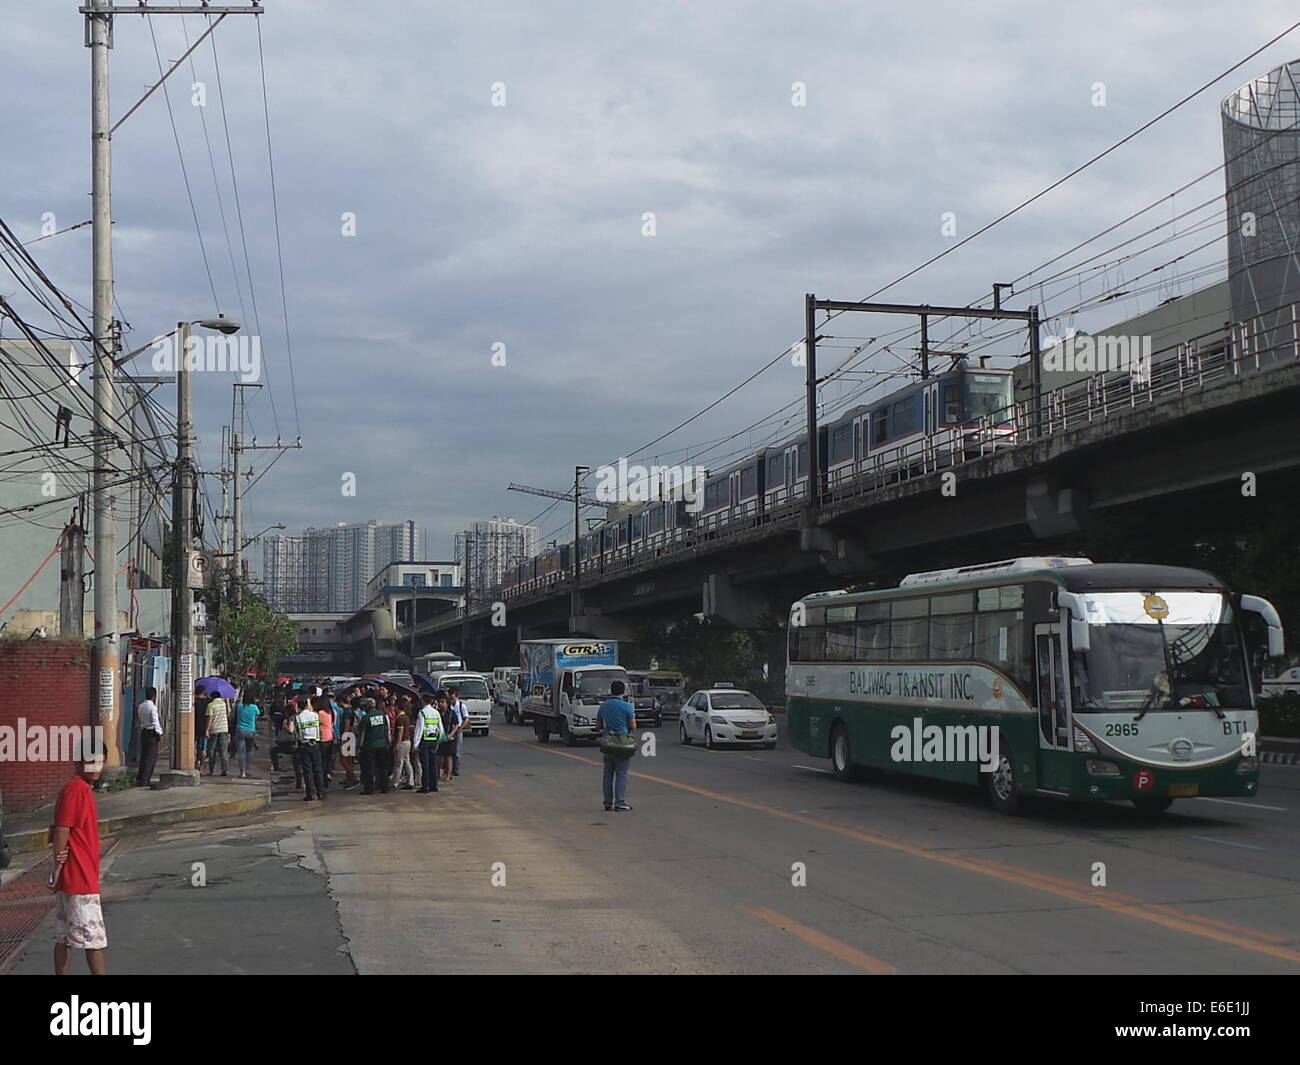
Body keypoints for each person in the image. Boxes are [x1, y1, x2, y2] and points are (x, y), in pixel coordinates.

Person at [49, 747, 108, 974]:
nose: (96, 767)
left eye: (100, 762)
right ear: (78, 763)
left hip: (74, 876)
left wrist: (58, 868)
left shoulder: (78, 789)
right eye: (90, 761)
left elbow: (60, 828)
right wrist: (57, 864)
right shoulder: (77, 790)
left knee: (65, 936)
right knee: (93, 940)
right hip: (80, 877)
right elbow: (62, 829)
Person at [596, 680, 636, 812]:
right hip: (622, 744)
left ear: (611, 691)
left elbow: (598, 726)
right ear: (623, 691)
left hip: (608, 743)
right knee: (621, 773)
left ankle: (607, 802)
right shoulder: (626, 706)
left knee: (608, 774)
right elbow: (633, 726)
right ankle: (620, 802)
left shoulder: (604, 706)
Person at [287, 696, 324, 802]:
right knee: (318, 768)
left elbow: (291, 730)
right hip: (316, 744)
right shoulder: (315, 715)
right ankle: (321, 792)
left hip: (304, 745)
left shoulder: (297, 717)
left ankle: (311, 793)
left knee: (307, 770)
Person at [355, 696, 392, 794]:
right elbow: (386, 729)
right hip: (382, 745)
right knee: (382, 767)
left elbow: (362, 733)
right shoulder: (382, 715)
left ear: (368, 706)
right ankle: (385, 787)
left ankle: (369, 789)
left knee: (369, 768)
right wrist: (387, 742)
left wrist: (359, 747)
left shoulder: (366, 718)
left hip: (369, 746)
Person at [413, 693, 443, 793]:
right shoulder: (436, 712)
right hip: (433, 740)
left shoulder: (422, 713)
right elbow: (441, 729)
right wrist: (438, 740)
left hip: (424, 741)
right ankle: (433, 785)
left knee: (425, 764)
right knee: (433, 763)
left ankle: (425, 786)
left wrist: (415, 744)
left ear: (423, 701)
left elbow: (419, 729)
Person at [136, 686, 162, 787]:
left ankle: (141, 777)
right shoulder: (152, 707)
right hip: (152, 732)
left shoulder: (141, 706)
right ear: (154, 696)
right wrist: (159, 733)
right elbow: (155, 721)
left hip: (144, 731)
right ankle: (145, 779)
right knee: (151, 757)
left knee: (144, 755)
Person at [205, 688, 231, 776]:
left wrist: (207, 730)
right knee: (224, 751)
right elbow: (228, 715)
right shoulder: (224, 704)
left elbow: (210, 718)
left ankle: (211, 770)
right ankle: (224, 770)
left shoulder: (210, 705)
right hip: (224, 729)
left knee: (212, 751)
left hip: (214, 730)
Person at [391, 697, 416, 789]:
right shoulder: (406, 717)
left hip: (402, 742)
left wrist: (397, 744)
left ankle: (395, 782)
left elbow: (400, 732)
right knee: (406, 761)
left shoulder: (400, 718)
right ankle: (410, 781)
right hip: (407, 742)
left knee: (399, 762)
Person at [234, 695, 260, 778]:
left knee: (241, 752)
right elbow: (256, 718)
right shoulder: (254, 707)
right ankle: (247, 768)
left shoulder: (239, 706)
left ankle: (242, 772)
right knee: (249, 751)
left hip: (240, 730)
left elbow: (235, 716)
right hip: (251, 730)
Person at [445, 685, 468, 777]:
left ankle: (455, 769)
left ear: (457, 696)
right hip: (449, 730)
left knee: (457, 751)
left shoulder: (462, 706)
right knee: (448, 752)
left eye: (453, 698)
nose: (452, 700)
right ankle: (448, 770)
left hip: (458, 731)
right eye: (450, 698)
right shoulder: (448, 706)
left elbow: (466, 719)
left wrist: (461, 728)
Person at [315, 695, 336, 790]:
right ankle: (327, 776)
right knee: (327, 760)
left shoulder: (320, 713)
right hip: (330, 738)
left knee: (321, 761)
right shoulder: (330, 713)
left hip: (322, 739)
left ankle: (322, 780)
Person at [437, 692, 459, 783]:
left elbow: (457, 724)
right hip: (440, 737)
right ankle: (438, 772)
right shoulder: (437, 713)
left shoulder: (451, 713)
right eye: (439, 702)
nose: (441, 704)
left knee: (449, 756)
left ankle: (449, 774)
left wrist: (451, 734)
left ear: (447, 703)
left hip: (449, 738)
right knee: (439, 756)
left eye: (443, 702)